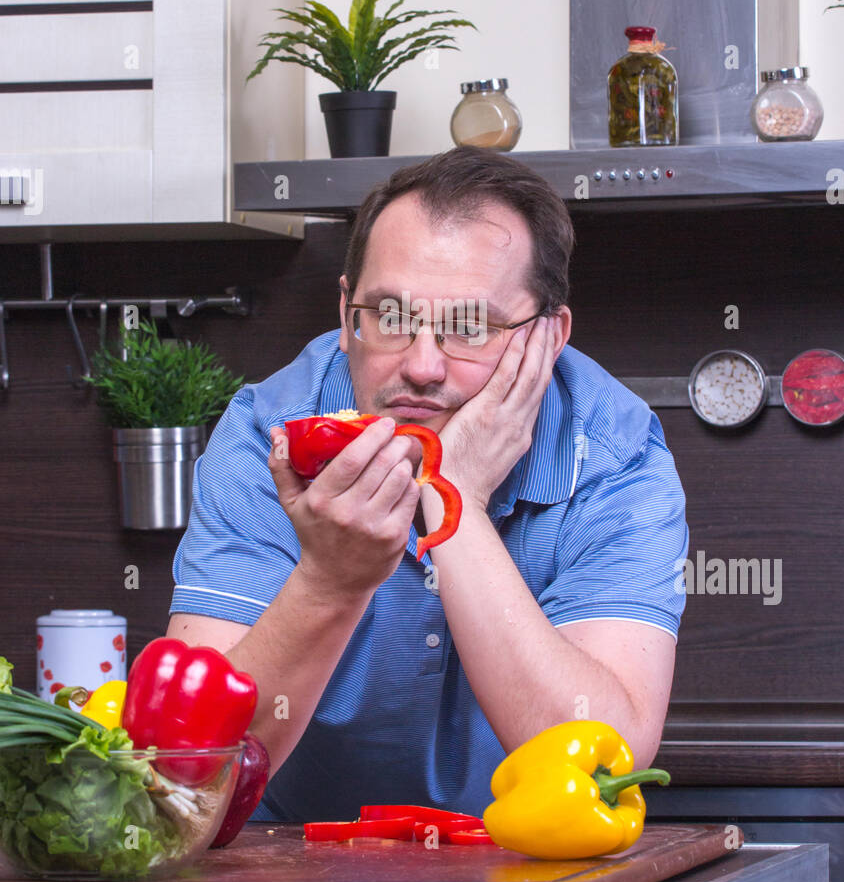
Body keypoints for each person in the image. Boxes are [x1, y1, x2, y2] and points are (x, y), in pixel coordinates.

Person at [166, 146, 688, 820]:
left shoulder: (614, 453)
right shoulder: (266, 436)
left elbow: (598, 761)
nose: (420, 366)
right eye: (390, 315)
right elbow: (187, 771)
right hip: (284, 868)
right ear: (347, 309)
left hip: (523, 866)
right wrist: (329, 580)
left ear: (548, 336)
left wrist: (456, 503)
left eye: (469, 326)